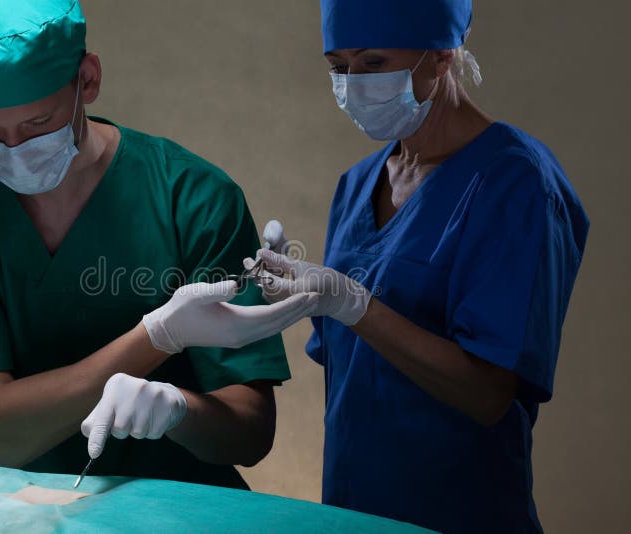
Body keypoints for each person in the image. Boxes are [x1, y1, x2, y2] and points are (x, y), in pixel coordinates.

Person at [0, 0, 318, 490]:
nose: (15, 153)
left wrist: (179, 411)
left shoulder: (192, 198)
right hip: (26, 517)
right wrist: (155, 338)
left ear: (86, 80)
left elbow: (250, 433)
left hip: (187, 514)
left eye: (37, 124)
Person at [247, 0, 589, 531]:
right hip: (352, 511)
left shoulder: (515, 183)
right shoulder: (359, 184)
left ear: (442, 56)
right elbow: (355, 365)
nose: (353, 83)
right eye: (338, 68)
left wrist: (352, 303)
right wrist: (302, 298)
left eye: (374, 62)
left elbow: (489, 394)